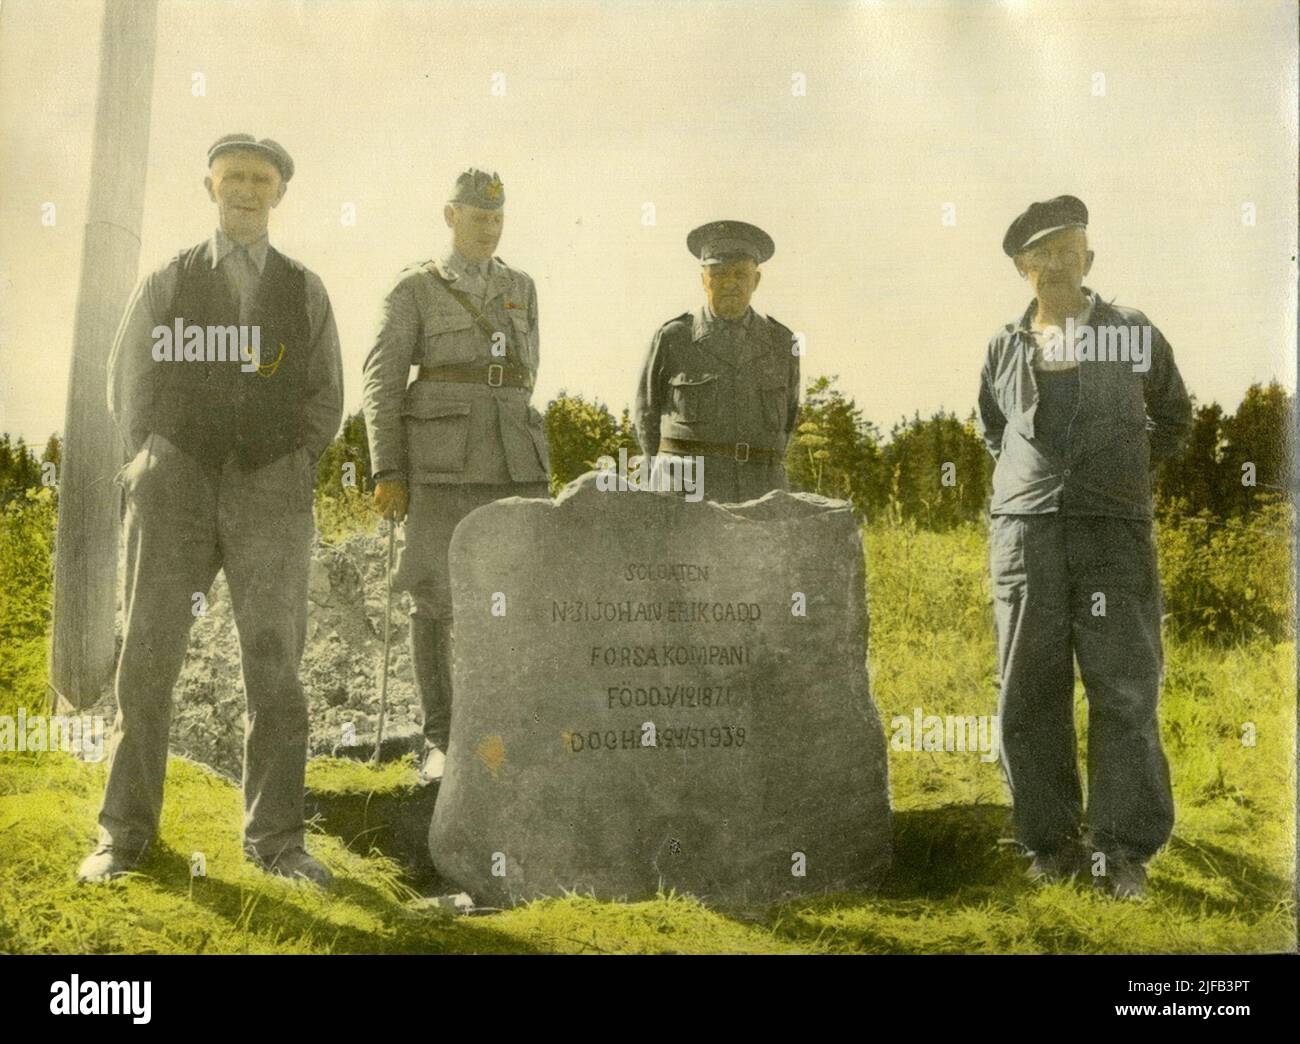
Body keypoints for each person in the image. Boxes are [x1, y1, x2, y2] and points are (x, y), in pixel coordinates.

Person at [81, 133, 344, 885]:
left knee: (276, 668)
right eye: (233, 178)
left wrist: (293, 465)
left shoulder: (304, 289)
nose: (246, 191)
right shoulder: (168, 279)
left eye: (261, 179)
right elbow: (126, 380)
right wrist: (150, 462)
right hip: (177, 490)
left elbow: (326, 395)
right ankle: (124, 838)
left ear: (279, 193)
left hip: (270, 495)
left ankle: (277, 844)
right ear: (210, 186)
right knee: (148, 661)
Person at [977, 195, 1192, 899]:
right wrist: (1035, 489)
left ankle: (1121, 850)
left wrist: (1119, 477)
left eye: (1071, 253)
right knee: (1028, 692)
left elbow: (1175, 414)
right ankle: (1048, 844)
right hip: (1026, 536)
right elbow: (994, 428)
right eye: (1044, 258)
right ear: (1023, 269)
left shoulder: (1130, 331)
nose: (1059, 267)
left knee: (1123, 687)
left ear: (1090, 261)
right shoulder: (1003, 346)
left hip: (1112, 535)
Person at [362, 169, 550, 784]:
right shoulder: (416, 289)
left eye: (497, 217)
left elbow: (527, 374)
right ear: (450, 217)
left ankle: (501, 733)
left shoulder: (521, 285)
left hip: (513, 464)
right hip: (440, 466)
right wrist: (389, 468)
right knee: (436, 599)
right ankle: (439, 738)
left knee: (512, 599)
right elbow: (382, 383)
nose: (489, 228)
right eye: (476, 217)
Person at [633, 220, 799, 504]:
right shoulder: (675, 336)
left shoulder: (781, 341)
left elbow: (789, 419)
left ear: (756, 280)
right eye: (719, 274)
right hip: (687, 495)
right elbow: (645, 416)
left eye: (740, 274)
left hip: (762, 492)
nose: (730, 284)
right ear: (703, 279)